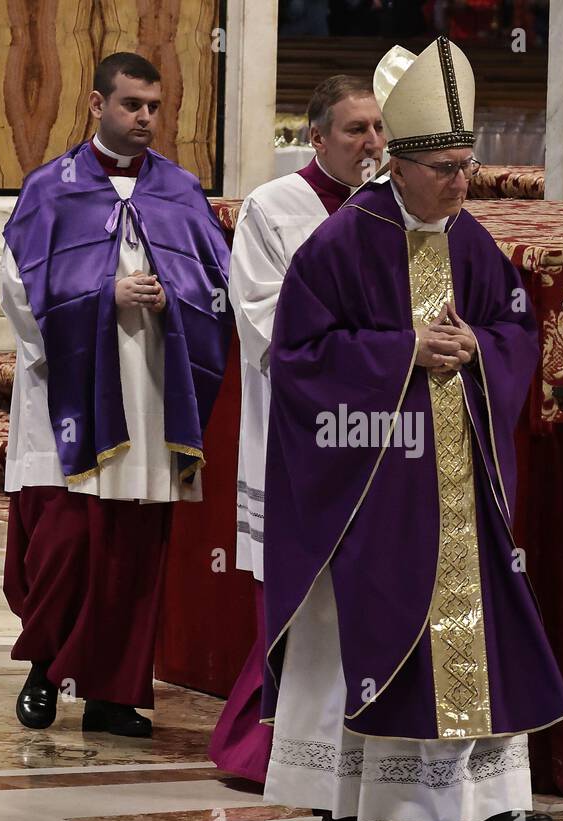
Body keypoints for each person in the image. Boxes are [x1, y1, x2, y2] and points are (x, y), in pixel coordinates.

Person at [260, 38, 563, 821]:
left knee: (481, 626)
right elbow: (296, 360)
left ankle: (488, 805)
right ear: (395, 166)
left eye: (468, 165)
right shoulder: (338, 244)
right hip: (369, 489)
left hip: (461, 485)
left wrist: (483, 348)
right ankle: (351, 797)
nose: (462, 183)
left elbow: (514, 326)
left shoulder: (471, 239)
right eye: (445, 169)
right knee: (367, 630)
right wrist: (402, 352)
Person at [0, 52, 233, 738]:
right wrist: (103, 296)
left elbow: (215, 292)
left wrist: (175, 299)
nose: (146, 119)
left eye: (156, 107)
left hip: (151, 394)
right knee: (66, 547)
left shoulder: (181, 192)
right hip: (68, 398)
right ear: (97, 106)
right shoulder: (52, 188)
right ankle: (44, 671)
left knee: (132, 552)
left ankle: (112, 692)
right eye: (132, 105)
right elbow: (19, 290)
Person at [209, 75, 385, 782]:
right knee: (295, 592)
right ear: (315, 138)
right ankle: (272, 745)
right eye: (354, 130)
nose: (371, 142)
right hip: (295, 432)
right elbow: (260, 317)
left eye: (378, 128)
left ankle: (357, 747)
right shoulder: (272, 208)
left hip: (374, 429)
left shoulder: (394, 207)